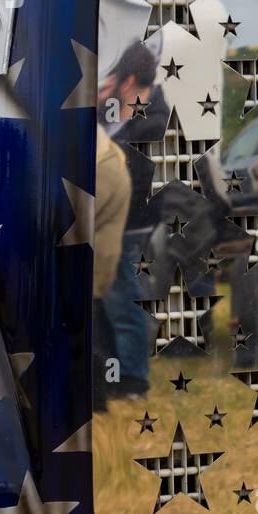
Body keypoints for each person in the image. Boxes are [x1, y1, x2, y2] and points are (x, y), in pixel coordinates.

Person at [95, 42, 158, 405]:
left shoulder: (149, 116)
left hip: (127, 226)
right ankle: (114, 375)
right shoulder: (103, 104)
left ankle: (133, 378)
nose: (141, 101)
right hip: (107, 222)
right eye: (139, 94)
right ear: (129, 80)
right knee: (107, 304)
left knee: (124, 304)